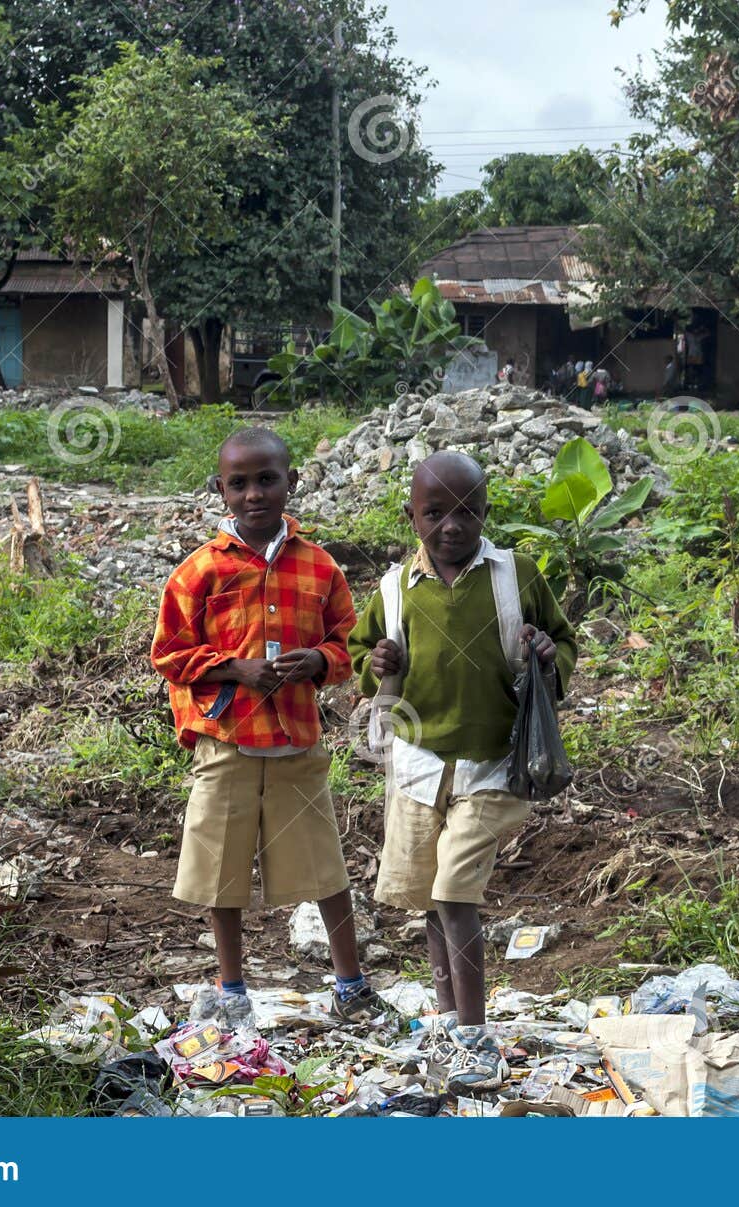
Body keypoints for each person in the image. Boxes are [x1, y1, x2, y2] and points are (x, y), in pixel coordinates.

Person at [349, 452, 578, 1094]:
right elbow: (361, 654)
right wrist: (378, 661)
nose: (452, 525)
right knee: (429, 896)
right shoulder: (395, 590)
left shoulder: (514, 576)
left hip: (494, 766)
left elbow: (564, 643)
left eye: (468, 511)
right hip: (419, 768)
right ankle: (448, 1016)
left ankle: (475, 1039)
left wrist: (544, 651)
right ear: (411, 516)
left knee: (454, 893)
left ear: (485, 511)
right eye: (435, 513)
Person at [151, 427, 388, 1035]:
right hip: (225, 740)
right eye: (239, 483)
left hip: (297, 742)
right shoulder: (198, 571)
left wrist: (319, 662)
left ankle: (350, 985)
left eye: (267, 480)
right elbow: (170, 653)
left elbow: (350, 644)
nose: (254, 494)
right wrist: (235, 668)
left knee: (325, 865)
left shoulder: (320, 566)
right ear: (221, 491)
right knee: (221, 871)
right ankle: (231, 991)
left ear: (292, 483)